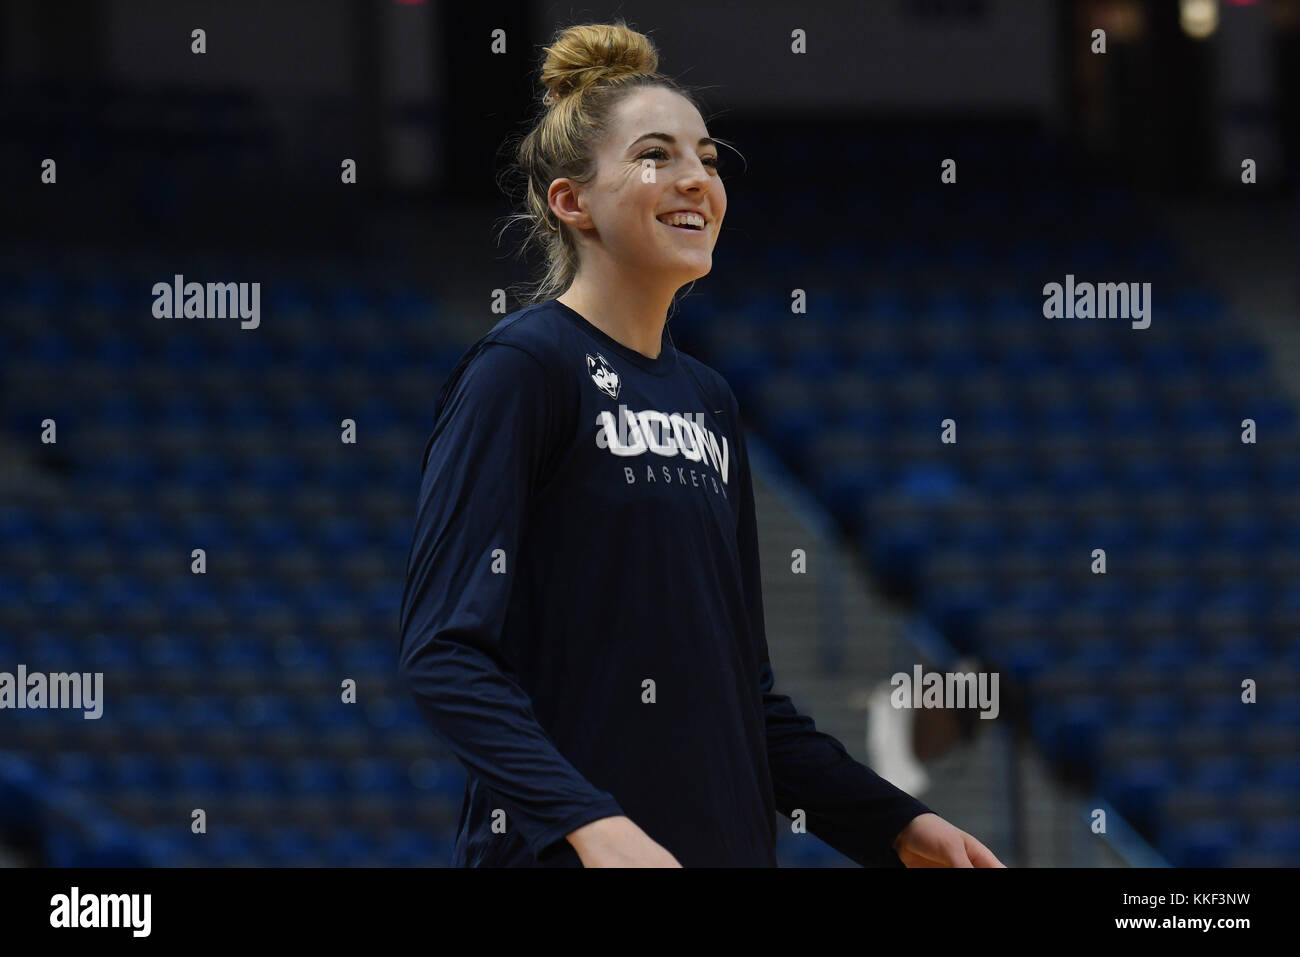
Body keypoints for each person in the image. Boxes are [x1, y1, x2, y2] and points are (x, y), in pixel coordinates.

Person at [398, 19, 1003, 868]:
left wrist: (891, 821)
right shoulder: (523, 370)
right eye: (657, 156)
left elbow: (744, 699)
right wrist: (591, 823)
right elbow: (443, 653)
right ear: (571, 203)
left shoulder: (709, 400)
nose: (697, 179)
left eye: (708, 160)